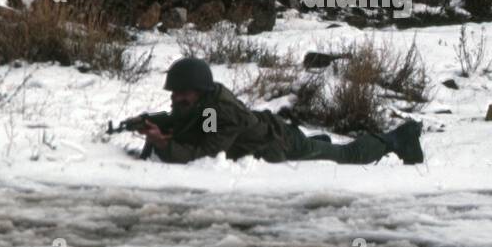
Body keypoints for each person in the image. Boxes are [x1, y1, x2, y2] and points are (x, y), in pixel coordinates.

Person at [131, 57, 424, 165]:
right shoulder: (205, 107)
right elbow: (193, 128)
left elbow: (206, 153)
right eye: (175, 93)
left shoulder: (218, 114)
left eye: (183, 93)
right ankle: (316, 144)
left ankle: (396, 139)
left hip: (279, 143)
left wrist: (162, 143)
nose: (177, 99)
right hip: (267, 131)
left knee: (347, 156)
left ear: (199, 92)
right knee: (315, 148)